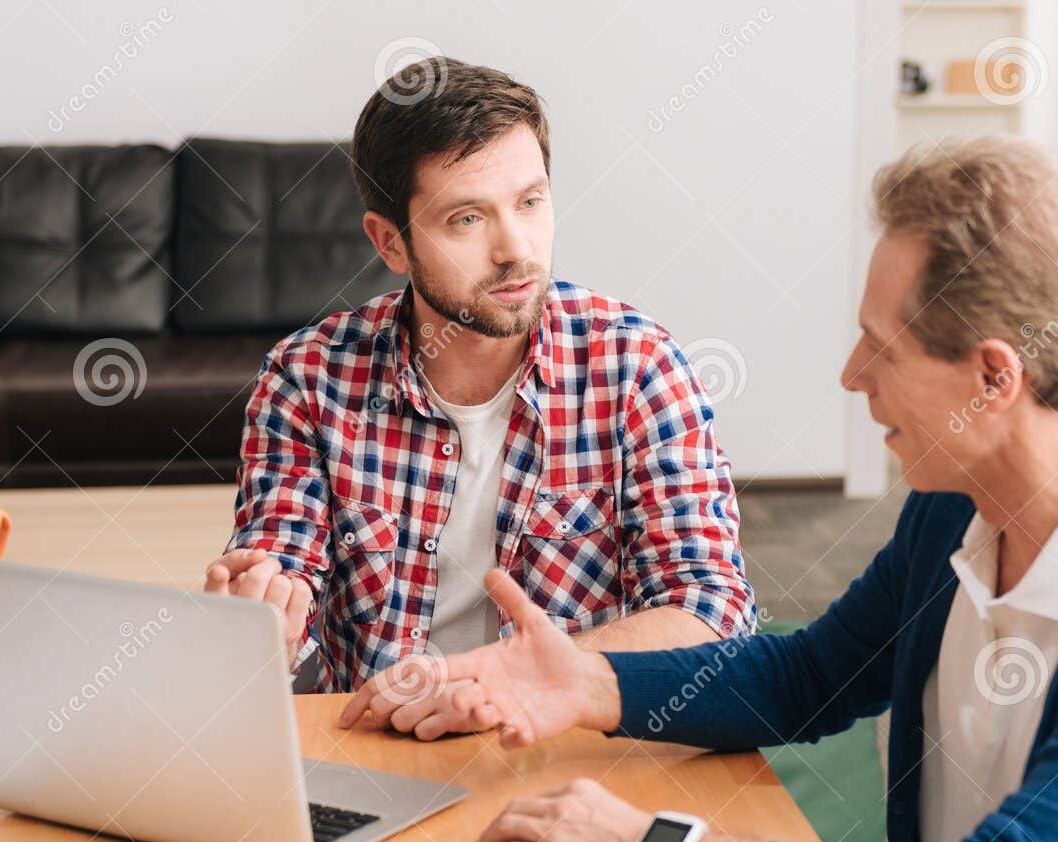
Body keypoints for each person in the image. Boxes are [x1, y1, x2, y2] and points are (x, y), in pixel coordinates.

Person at [341, 135, 1058, 842]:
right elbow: (809, 678)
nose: (851, 374)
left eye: (881, 347)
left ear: (994, 378)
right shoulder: (958, 505)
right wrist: (590, 682)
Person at [203, 58, 755, 731]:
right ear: (390, 243)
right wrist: (264, 618)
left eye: (530, 202)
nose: (516, 250)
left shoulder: (637, 365)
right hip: (385, 748)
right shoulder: (307, 379)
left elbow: (711, 613)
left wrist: (526, 679)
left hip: (569, 749)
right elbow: (283, 579)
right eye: (467, 219)